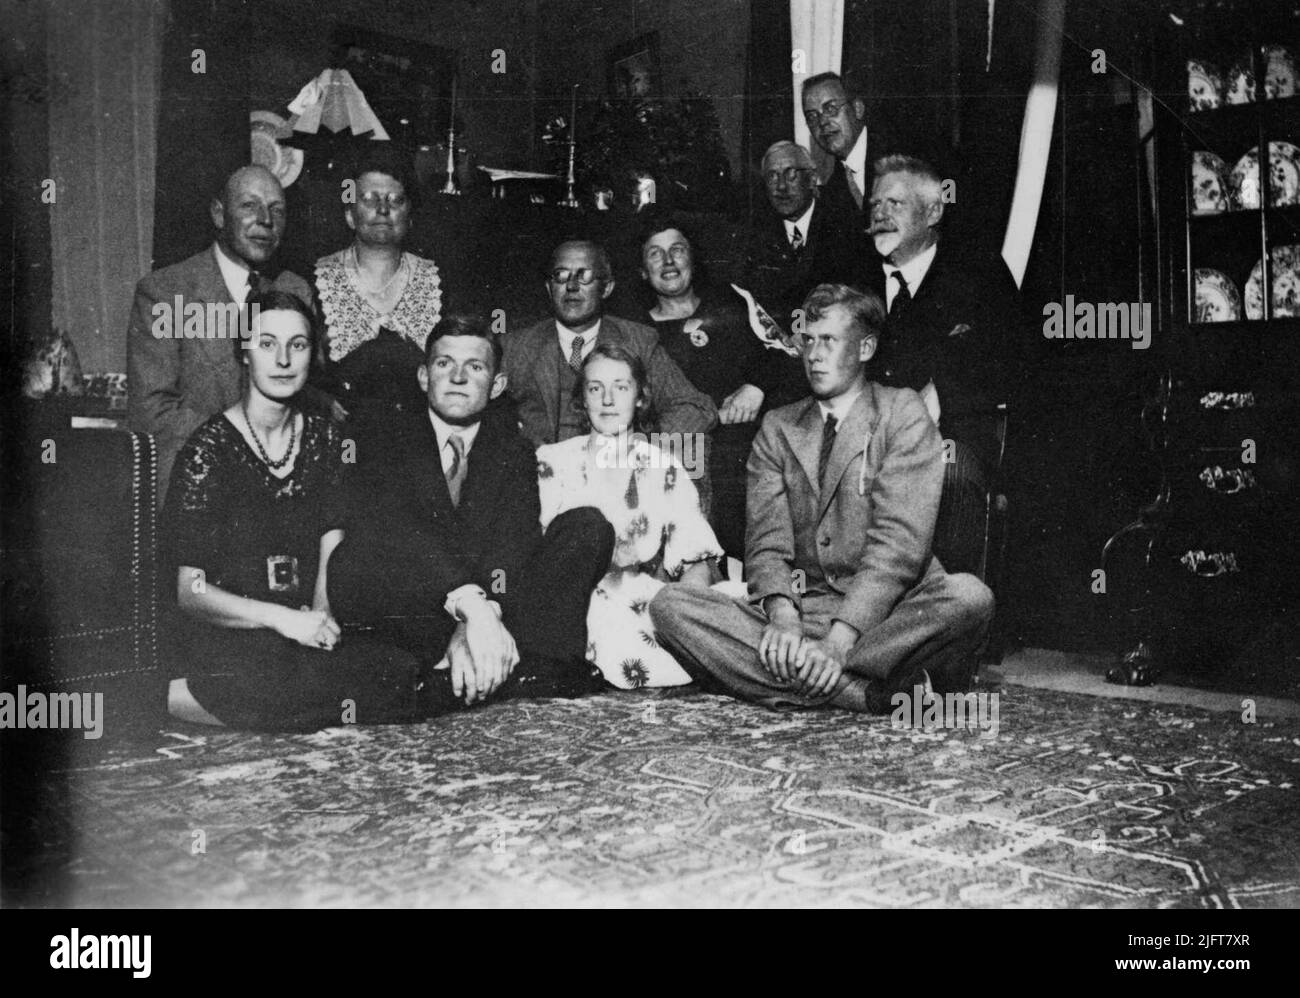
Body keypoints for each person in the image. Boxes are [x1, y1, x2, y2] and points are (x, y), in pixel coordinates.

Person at [650, 283, 994, 713]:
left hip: (890, 613)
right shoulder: (778, 427)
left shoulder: (902, 412)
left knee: (968, 598)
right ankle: (866, 693)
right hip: (805, 611)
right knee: (670, 606)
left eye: (829, 340)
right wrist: (782, 617)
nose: (813, 354)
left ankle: (808, 674)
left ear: (866, 348)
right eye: (807, 341)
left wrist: (840, 641)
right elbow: (767, 544)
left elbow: (899, 547)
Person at [162, 290, 423, 731]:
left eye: (297, 345)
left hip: (302, 630)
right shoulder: (207, 449)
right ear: (244, 353)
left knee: (395, 668)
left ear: (312, 355)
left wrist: (321, 624)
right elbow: (192, 591)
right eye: (267, 344)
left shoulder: (327, 440)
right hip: (235, 632)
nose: (283, 359)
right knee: (280, 679)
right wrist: (282, 620)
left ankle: (274, 706)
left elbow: (332, 545)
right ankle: (183, 693)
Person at [327, 315, 615, 708]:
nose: (459, 377)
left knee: (587, 526)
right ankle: (503, 671)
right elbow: (393, 534)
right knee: (353, 559)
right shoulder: (382, 438)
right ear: (424, 377)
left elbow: (512, 547)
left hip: (492, 602)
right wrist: (467, 606)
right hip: (422, 605)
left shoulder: (513, 450)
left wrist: (486, 613)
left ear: (496, 385)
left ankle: (477, 670)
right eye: (445, 364)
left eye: (475, 367)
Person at [537, 344, 722, 689]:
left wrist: (689, 617)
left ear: (640, 397)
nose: (608, 400)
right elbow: (534, 557)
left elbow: (695, 556)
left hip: (641, 595)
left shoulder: (663, 465)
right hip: (569, 604)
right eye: (595, 388)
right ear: (582, 400)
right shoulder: (551, 462)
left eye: (621, 387)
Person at [128, 165, 312, 502]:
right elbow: (152, 411)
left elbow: (308, 399)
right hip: (198, 491)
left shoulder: (295, 290)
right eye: (249, 205)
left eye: (276, 209)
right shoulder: (165, 292)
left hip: (282, 494)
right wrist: (244, 446)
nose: (265, 220)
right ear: (218, 214)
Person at [639, 212, 800, 557]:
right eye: (655, 253)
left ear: (692, 260)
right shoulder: (638, 333)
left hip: (751, 440)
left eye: (677, 250)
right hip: (687, 449)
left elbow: (786, 352)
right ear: (642, 271)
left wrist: (756, 386)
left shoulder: (733, 302)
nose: (668, 261)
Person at [866, 154, 1015, 472]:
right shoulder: (858, 277)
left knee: (947, 474)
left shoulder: (978, 274)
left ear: (933, 212)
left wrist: (943, 391)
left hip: (950, 437)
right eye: (875, 204)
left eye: (895, 204)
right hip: (870, 438)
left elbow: (1014, 356)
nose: (880, 214)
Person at [503, 239, 717, 449]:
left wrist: (636, 449)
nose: (571, 286)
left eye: (584, 276)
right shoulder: (516, 347)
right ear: (550, 289)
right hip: (538, 476)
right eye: (561, 276)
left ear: (606, 288)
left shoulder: (638, 341)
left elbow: (695, 407)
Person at [313, 153, 444, 422]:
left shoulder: (439, 283)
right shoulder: (314, 281)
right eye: (370, 199)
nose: (383, 209)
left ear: (409, 218)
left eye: (396, 200)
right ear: (350, 215)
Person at [742, 140, 868, 337]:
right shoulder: (755, 235)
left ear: (812, 179)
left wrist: (801, 329)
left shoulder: (844, 227)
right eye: (772, 176)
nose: (781, 186)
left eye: (791, 174)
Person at [802, 72, 876, 222]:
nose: (822, 122)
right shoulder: (832, 192)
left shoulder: (900, 155)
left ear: (858, 109)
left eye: (830, 109)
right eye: (812, 117)